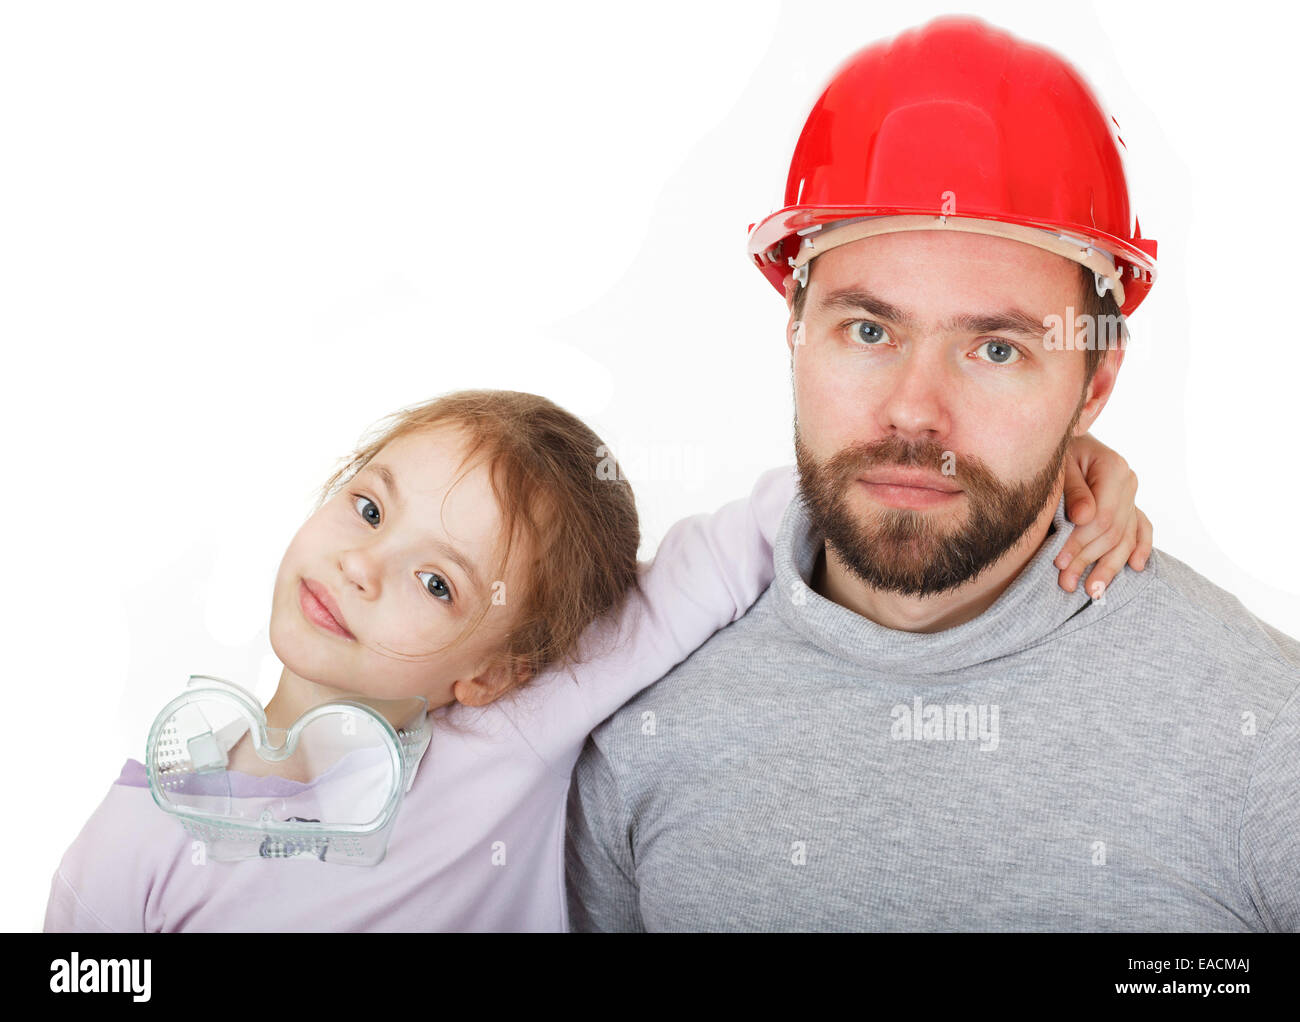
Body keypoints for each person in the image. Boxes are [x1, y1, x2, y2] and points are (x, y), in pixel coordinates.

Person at [565, 16, 1300, 932]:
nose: (916, 412)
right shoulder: (631, 714)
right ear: (795, 339)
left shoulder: (1266, 732)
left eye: (995, 348)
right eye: (869, 331)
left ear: (1094, 382)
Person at [43, 387, 1147, 931]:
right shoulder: (143, 827)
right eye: (367, 506)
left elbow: (737, 543)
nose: (366, 566)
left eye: (439, 582)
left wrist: (1038, 454)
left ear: (496, 669)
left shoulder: (506, 738)